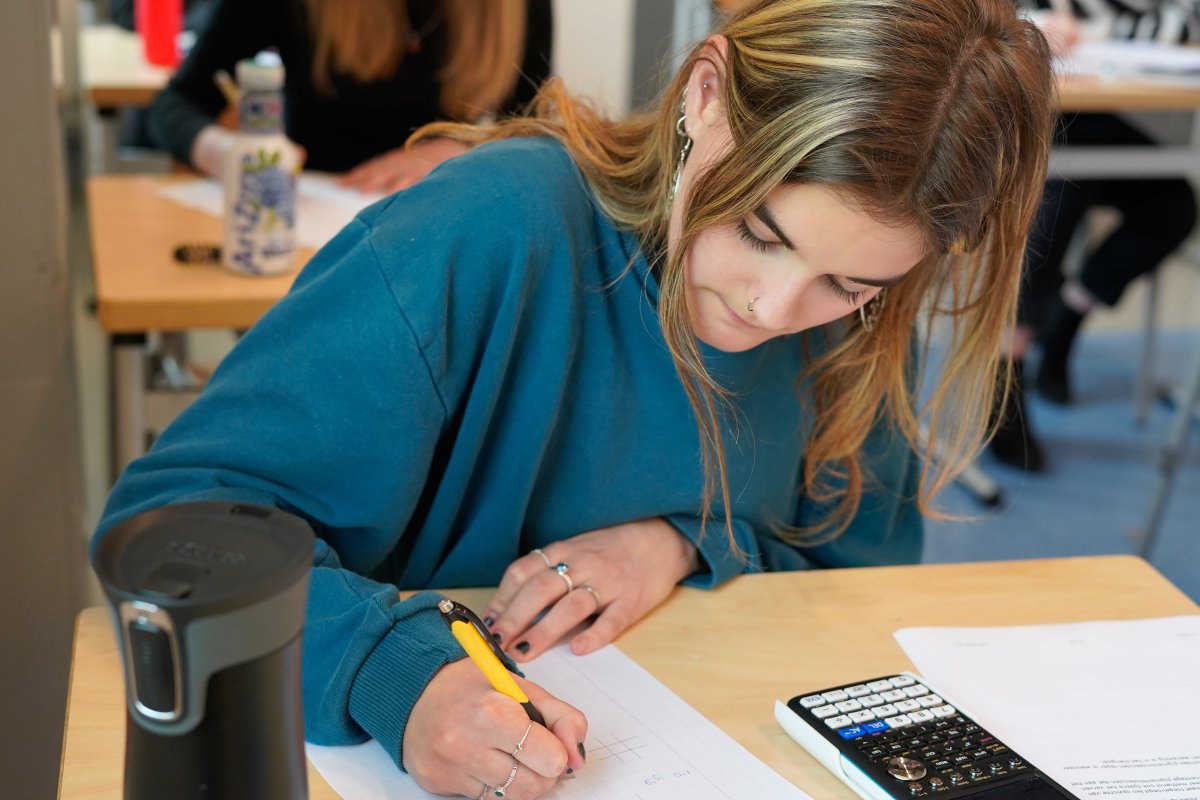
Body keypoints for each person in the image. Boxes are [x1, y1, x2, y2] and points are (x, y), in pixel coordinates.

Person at [93, 1, 1056, 797]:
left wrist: (684, 544)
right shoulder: (490, 229)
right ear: (707, 99)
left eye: (849, 287)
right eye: (761, 233)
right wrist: (393, 676)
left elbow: (858, 569)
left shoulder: (855, 328)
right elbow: (174, 528)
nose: (774, 309)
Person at [990, 0, 1200, 471]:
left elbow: (1185, 22)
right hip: (1022, 111)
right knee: (1059, 185)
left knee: (1173, 207)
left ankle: (1066, 317)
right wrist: (1035, 24)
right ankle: (1005, 376)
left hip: (1097, 106)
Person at [146, 0, 553, 191]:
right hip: (316, 227)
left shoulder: (516, 9)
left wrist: (466, 149)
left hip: (443, 223)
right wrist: (223, 152)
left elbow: (533, 131)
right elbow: (173, 106)